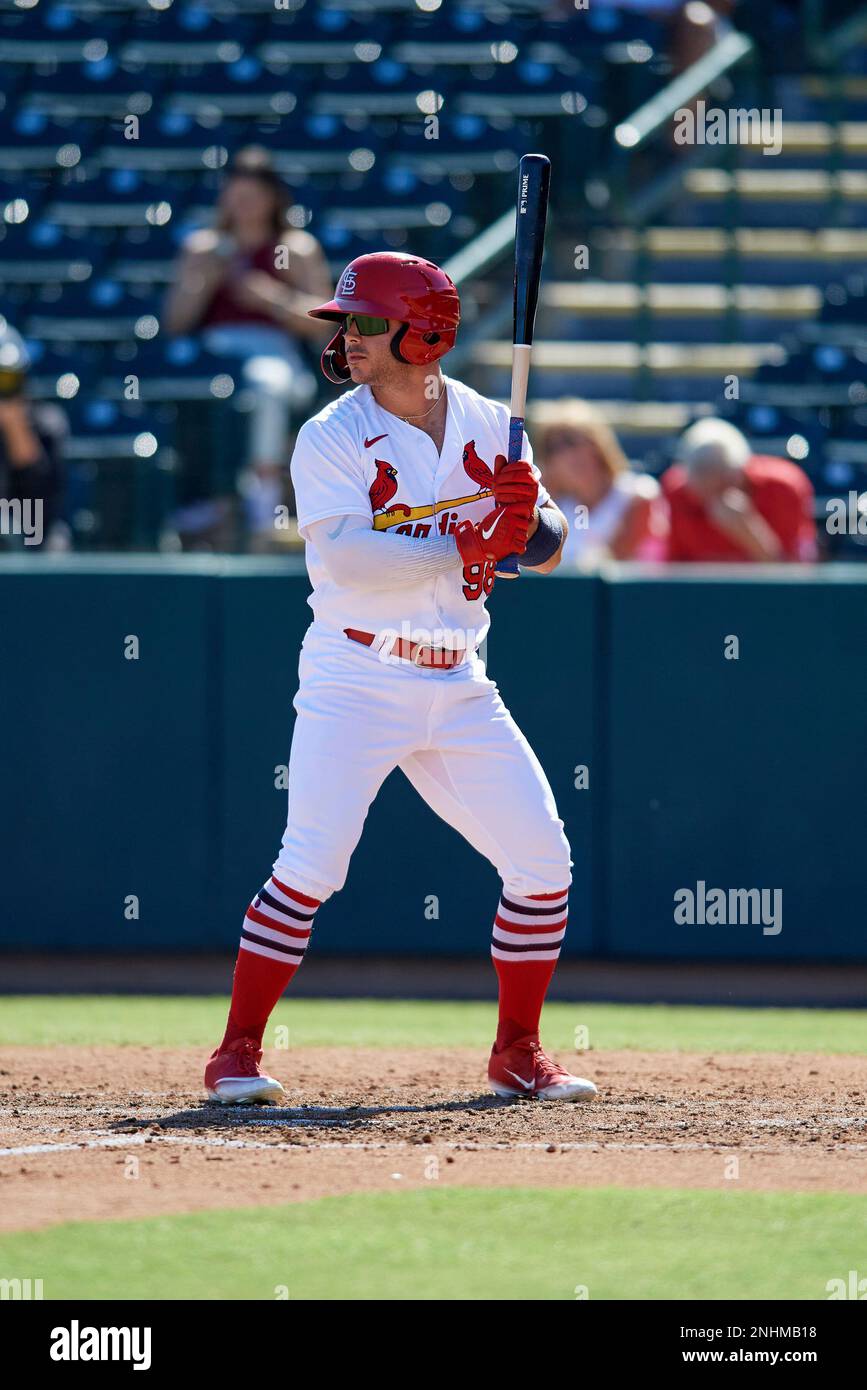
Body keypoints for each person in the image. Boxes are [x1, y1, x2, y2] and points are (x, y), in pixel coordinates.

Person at [203, 251, 597, 1106]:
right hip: (355, 672)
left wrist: (529, 521)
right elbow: (343, 552)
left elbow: (554, 549)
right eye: (345, 323)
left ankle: (517, 1052)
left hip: (457, 680)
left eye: (367, 324)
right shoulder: (330, 435)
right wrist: (468, 541)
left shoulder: (494, 424)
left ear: (425, 334)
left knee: (543, 863)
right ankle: (234, 1052)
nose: (349, 339)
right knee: (311, 865)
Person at [164, 148, 332, 549]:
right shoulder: (202, 247)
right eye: (236, 194)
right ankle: (198, 503)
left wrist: (270, 298)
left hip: (275, 353)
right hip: (212, 355)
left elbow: (325, 326)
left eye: (254, 195)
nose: (244, 204)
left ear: (273, 198)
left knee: (265, 388)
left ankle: (263, 506)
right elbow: (175, 323)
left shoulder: (296, 246)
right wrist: (204, 279)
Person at [662, 417, 817, 562]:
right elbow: (672, 570)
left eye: (722, 477)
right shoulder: (676, 491)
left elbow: (796, 576)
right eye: (701, 472)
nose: (711, 482)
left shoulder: (784, 487)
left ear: (740, 469)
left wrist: (749, 532)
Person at [532, 399, 665, 565]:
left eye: (572, 441)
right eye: (553, 448)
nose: (567, 455)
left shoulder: (639, 496)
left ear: (598, 444)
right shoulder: (556, 505)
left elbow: (608, 563)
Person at [0, 319, 69, 551]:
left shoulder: (47, 425)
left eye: (4, 379)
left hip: (32, 541)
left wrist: (14, 425)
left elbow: (38, 511)